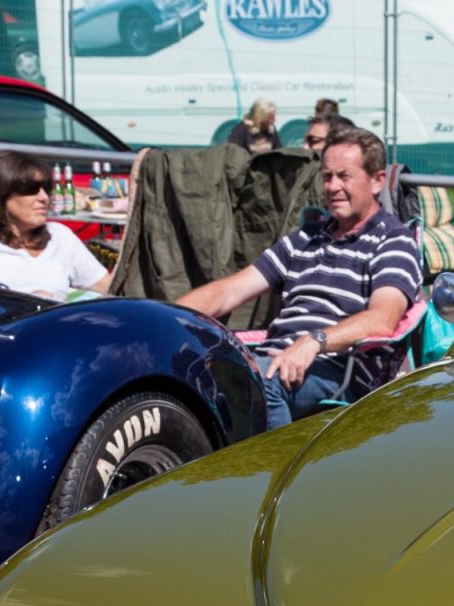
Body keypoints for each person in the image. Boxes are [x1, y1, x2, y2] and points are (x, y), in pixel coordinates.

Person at [176, 128, 419, 428]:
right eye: (327, 176)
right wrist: (166, 319)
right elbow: (230, 291)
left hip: (338, 368)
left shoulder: (393, 241)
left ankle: (273, 473)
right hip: (275, 360)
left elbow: (382, 318)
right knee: (190, 376)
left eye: (344, 176)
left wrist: (315, 341)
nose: (332, 187)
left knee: (255, 385)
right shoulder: (306, 238)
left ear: (377, 181)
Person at [0, 151, 111, 301]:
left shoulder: (60, 236)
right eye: (32, 188)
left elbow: (109, 287)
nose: (44, 197)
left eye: (46, 188)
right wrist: (34, 301)